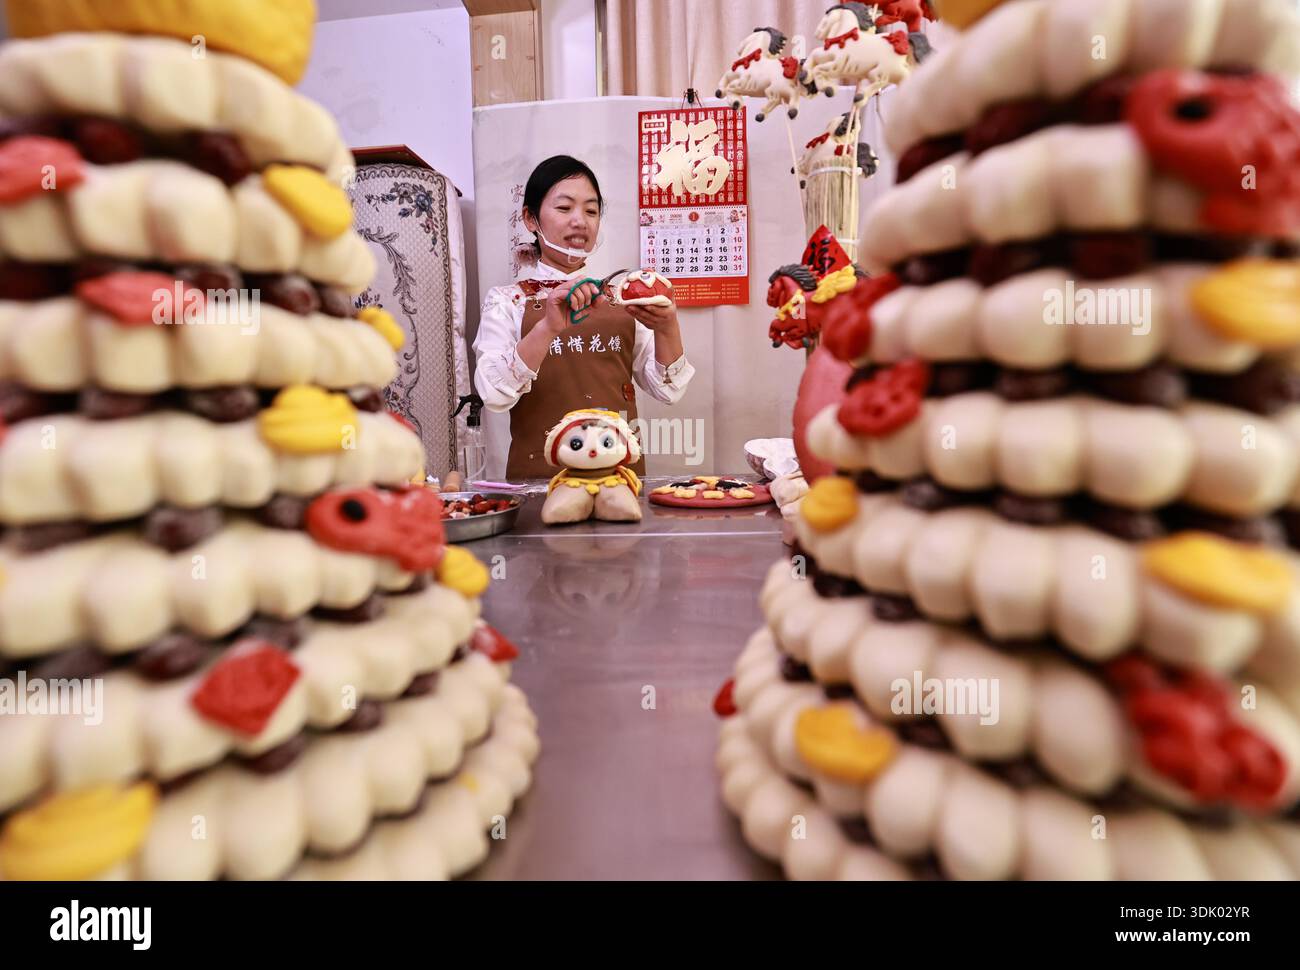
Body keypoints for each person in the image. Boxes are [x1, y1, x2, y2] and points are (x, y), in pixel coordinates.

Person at [473, 155, 695, 479]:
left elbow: (668, 390)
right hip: (540, 486)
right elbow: (492, 393)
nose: (580, 221)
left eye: (591, 211)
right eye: (564, 208)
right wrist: (548, 327)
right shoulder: (509, 301)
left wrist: (667, 327)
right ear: (530, 219)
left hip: (621, 480)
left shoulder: (621, 296)